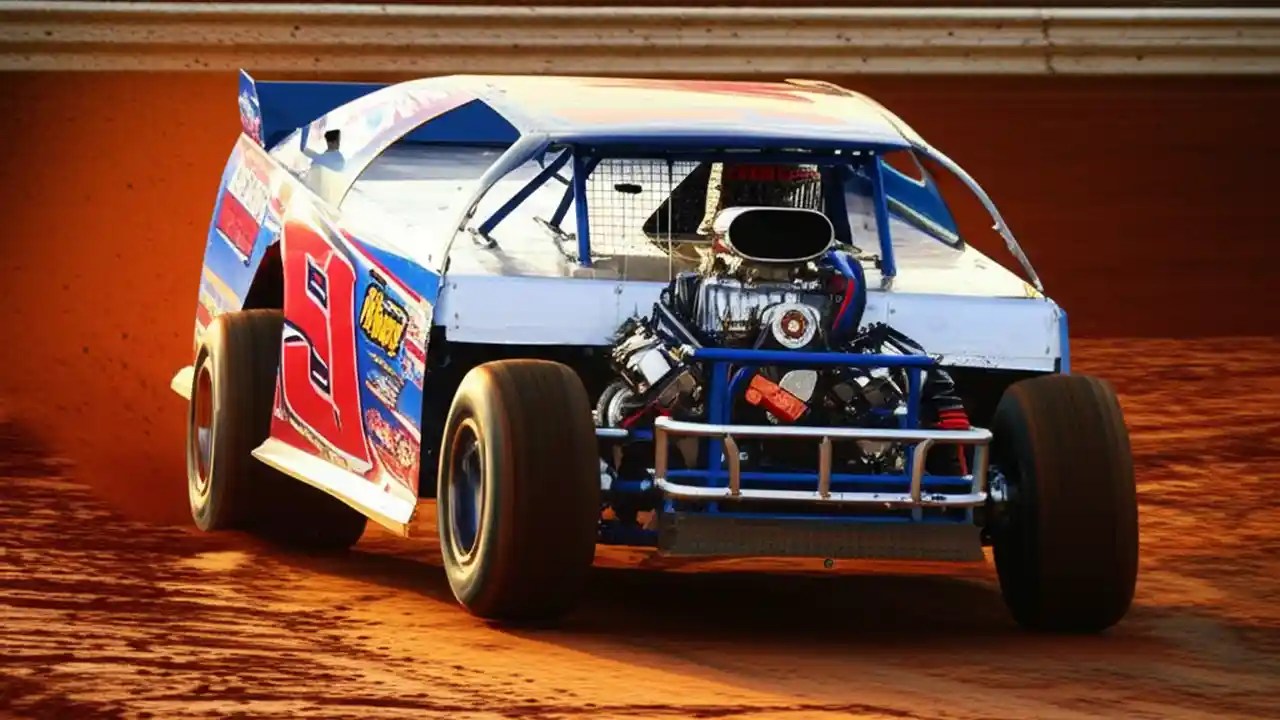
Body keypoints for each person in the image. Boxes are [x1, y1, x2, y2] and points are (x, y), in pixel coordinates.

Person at [305, 129, 345, 204]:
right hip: (322, 197)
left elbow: (306, 151)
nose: (338, 144)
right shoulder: (337, 158)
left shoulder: (334, 159)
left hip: (319, 196)